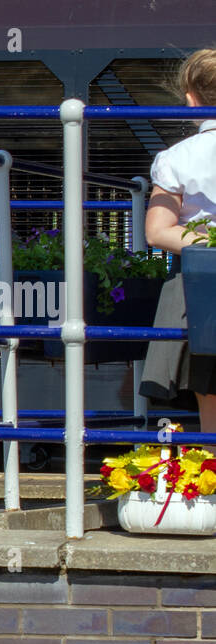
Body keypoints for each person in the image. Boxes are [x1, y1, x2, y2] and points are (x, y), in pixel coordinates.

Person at [140, 49, 216, 438]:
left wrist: (208, 241)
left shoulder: (176, 158)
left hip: (204, 281)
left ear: (190, 97)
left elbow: (157, 231)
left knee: (209, 380)